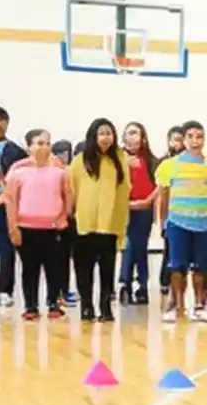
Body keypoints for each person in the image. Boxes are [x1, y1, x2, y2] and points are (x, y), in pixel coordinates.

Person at [156, 120, 207, 323]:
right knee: (177, 266)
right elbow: (164, 194)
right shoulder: (169, 166)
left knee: (202, 266)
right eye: (191, 137)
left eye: (199, 137)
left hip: (204, 224)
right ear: (184, 139)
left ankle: (199, 305)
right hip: (178, 223)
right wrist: (164, 222)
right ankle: (177, 307)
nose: (195, 141)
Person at [68, 118, 132, 322]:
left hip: (109, 223)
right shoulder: (80, 160)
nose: (106, 137)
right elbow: (72, 189)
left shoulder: (120, 160)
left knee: (107, 269)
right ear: (94, 136)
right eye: (102, 133)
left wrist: (121, 221)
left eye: (109, 133)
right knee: (83, 268)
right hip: (84, 224)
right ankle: (86, 306)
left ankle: (105, 306)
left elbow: (124, 191)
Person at [5, 129, 71, 320]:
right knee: (29, 269)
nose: (44, 147)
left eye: (47, 143)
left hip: (52, 228)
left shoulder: (60, 172)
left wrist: (63, 218)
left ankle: (53, 303)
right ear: (29, 147)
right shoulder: (18, 172)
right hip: (26, 228)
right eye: (39, 143)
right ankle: (31, 305)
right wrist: (13, 227)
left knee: (54, 268)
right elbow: (11, 201)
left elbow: (68, 196)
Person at [0, 106, 29, 309]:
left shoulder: (16, 151)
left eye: (2, 120)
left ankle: (5, 291)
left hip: (4, 206)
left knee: (6, 250)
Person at [119, 121, 159, 306]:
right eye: (129, 133)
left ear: (143, 138)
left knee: (140, 246)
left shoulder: (151, 160)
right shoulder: (117, 159)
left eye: (136, 133)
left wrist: (148, 201)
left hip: (144, 209)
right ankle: (124, 283)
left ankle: (141, 285)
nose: (132, 136)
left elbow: (160, 185)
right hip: (123, 209)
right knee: (128, 245)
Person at [156, 125, 186, 299]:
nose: (179, 143)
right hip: (170, 213)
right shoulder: (164, 164)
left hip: (186, 212)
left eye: (181, 139)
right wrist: (162, 220)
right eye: (175, 139)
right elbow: (162, 195)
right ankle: (164, 281)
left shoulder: (192, 162)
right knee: (169, 250)